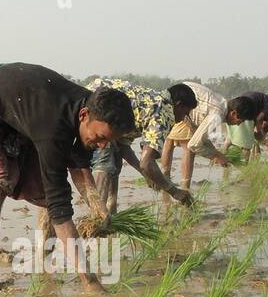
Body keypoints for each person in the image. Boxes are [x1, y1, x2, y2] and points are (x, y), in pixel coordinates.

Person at [0, 63, 133, 292]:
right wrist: (90, 281)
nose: (102, 146)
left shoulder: (89, 108)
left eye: (108, 142)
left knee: (44, 192)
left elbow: (79, 165)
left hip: (24, 113)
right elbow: (60, 210)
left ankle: (45, 257)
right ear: (84, 116)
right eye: (100, 138)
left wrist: (98, 209)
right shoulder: (52, 130)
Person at [84, 78, 195, 213]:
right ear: (178, 104)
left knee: (115, 158)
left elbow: (122, 147)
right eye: (186, 112)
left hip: (91, 96)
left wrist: (145, 174)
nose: (185, 117)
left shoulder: (152, 100)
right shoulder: (163, 111)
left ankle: (111, 210)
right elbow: (147, 163)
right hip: (97, 105)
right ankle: (97, 219)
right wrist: (174, 191)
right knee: (105, 161)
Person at [169, 82, 256, 188]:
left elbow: (203, 139)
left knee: (169, 142)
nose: (238, 124)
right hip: (180, 100)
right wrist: (216, 156)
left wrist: (217, 155)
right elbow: (194, 145)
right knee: (189, 148)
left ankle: (166, 182)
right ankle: (184, 188)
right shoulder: (217, 115)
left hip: (181, 96)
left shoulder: (222, 106)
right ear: (233, 113)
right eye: (240, 120)